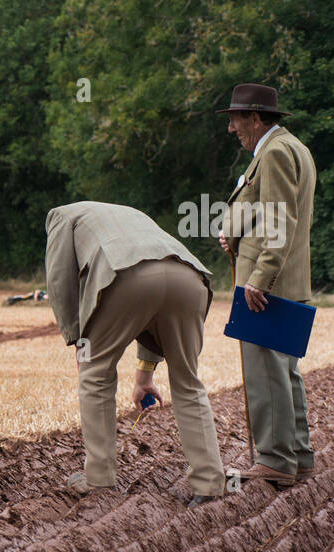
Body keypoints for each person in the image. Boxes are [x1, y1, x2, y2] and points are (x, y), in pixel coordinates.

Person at [45, 201, 226, 506]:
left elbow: (60, 280)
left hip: (125, 276)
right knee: (188, 382)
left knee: (96, 374)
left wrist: (78, 339)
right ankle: (210, 482)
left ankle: (99, 477)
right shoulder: (135, 214)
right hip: (189, 279)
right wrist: (144, 376)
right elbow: (155, 288)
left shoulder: (60, 215)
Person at [216, 83, 316, 488]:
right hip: (286, 281)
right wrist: (235, 233)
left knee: (266, 374)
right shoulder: (296, 149)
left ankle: (275, 459)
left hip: (266, 286)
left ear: (256, 118)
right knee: (286, 373)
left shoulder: (273, 153)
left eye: (236, 119)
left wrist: (260, 277)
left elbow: (280, 219)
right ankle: (299, 457)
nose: (232, 128)